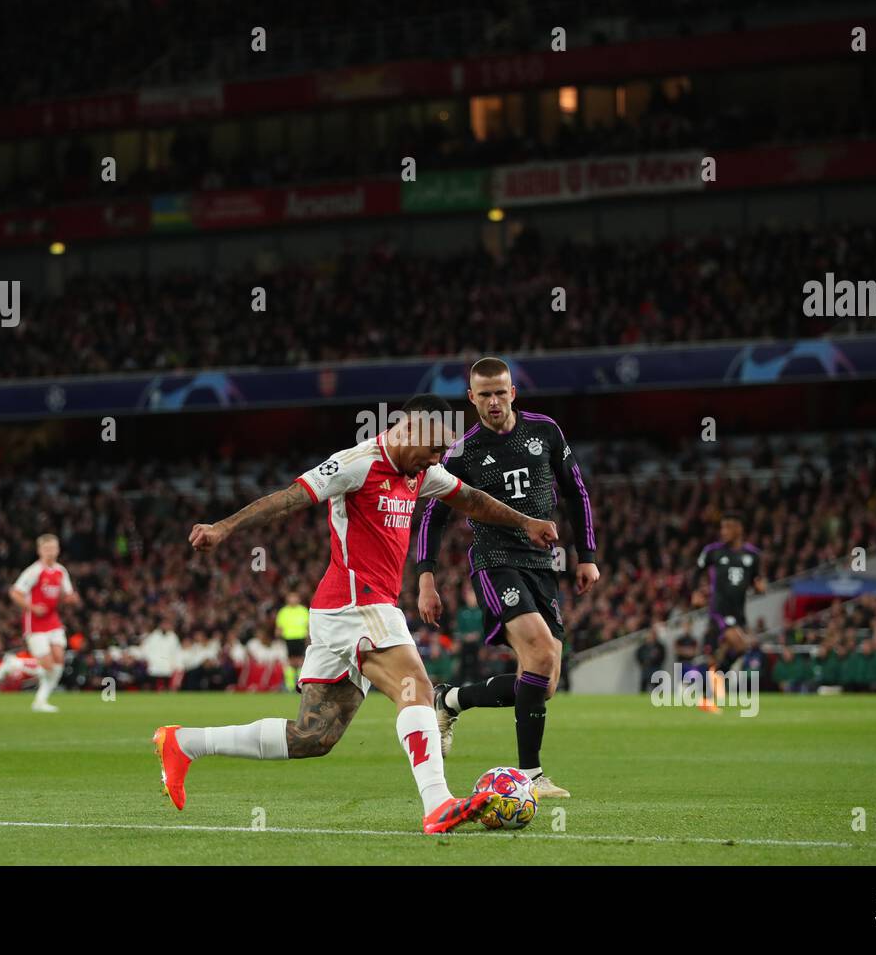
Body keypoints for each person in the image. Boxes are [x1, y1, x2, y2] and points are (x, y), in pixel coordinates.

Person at [154, 394, 559, 834]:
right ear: (409, 430)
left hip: (345, 610)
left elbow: (472, 500)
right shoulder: (357, 462)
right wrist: (223, 527)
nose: (440, 459)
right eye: (435, 448)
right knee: (417, 689)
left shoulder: (420, 471)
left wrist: (524, 522)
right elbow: (290, 498)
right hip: (355, 602)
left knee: (311, 737)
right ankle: (438, 802)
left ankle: (183, 743)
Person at [415, 357, 599, 799]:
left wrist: (586, 556)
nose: (494, 401)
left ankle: (450, 700)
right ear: (471, 398)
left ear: (513, 392)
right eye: (485, 395)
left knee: (544, 680)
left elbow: (576, 492)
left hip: (544, 566)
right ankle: (530, 777)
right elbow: (432, 517)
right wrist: (426, 578)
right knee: (537, 651)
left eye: (501, 392)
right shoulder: (462, 451)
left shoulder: (546, 431)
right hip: (496, 560)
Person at [696, 512, 765, 711]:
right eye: (722, 527)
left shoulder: (752, 555)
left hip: (739, 613)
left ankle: (707, 694)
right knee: (740, 644)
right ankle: (713, 684)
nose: (723, 532)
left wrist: (760, 587)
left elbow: (757, 581)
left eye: (727, 527)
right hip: (719, 611)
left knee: (732, 652)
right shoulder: (713, 551)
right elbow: (696, 571)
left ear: (739, 529)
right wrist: (696, 592)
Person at [6, 534, 81, 712]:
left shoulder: (61, 571)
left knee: (59, 661)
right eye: (47, 548)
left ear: (58, 549)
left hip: (53, 620)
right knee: (47, 665)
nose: (50, 552)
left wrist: (71, 599)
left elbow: (65, 595)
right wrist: (31, 607)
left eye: (53, 548)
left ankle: (40, 701)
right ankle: (15, 664)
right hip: (35, 622)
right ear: (40, 550)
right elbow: (15, 592)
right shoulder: (34, 571)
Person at [275, 591, 309, 692]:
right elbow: (279, 627)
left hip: (300, 638)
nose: (293, 599)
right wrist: (278, 636)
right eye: (291, 597)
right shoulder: (283, 611)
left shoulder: (303, 610)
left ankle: (299, 685)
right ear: (287, 599)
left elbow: (308, 626)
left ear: (298, 599)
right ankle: (289, 686)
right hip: (288, 638)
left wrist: (309, 636)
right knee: (290, 662)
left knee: (300, 661)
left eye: (295, 597)